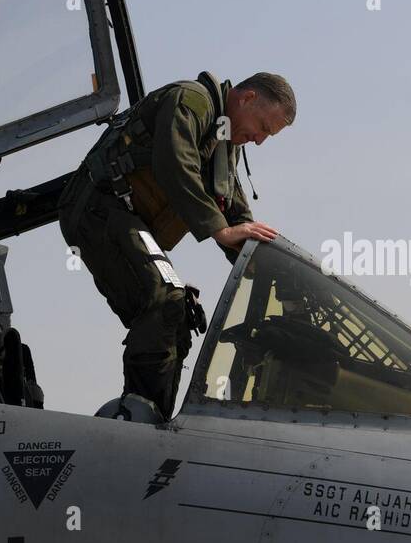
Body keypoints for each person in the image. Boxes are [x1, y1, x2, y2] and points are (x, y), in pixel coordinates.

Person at [58, 70, 295, 418]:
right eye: (262, 126)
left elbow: (235, 213)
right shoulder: (191, 101)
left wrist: (276, 274)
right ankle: (136, 421)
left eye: (267, 137)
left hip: (125, 220)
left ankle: (155, 419)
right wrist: (218, 230)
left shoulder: (224, 143)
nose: (259, 140)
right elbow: (174, 161)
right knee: (163, 300)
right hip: (99, 208)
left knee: (178, 314)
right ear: (246, 98)